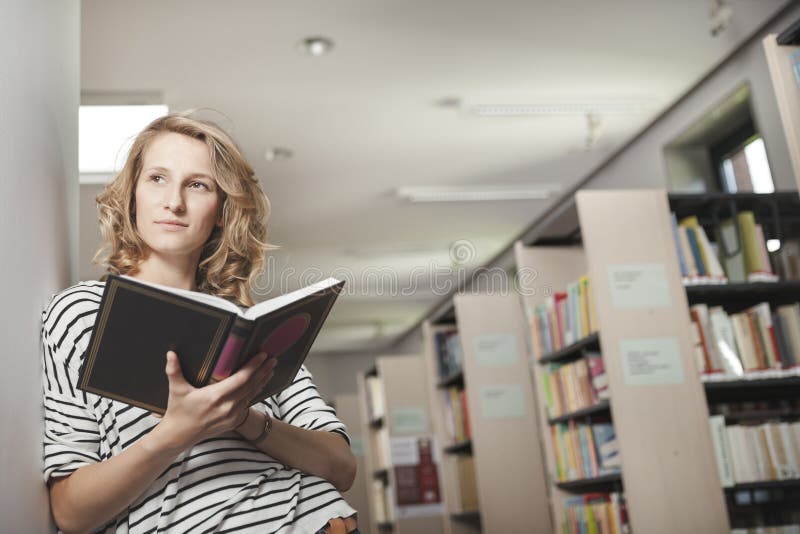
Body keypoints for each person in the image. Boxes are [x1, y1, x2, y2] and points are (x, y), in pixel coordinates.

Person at [40, 112, 359, 533]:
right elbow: (70, 513)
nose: (174, 201)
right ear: (131, 194)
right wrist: (177, 431)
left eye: (197, 185)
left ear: (223, 210)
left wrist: (242, 417)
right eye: (157, 178)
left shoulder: (248, 327)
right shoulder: (79, 314)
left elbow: (340, 467)